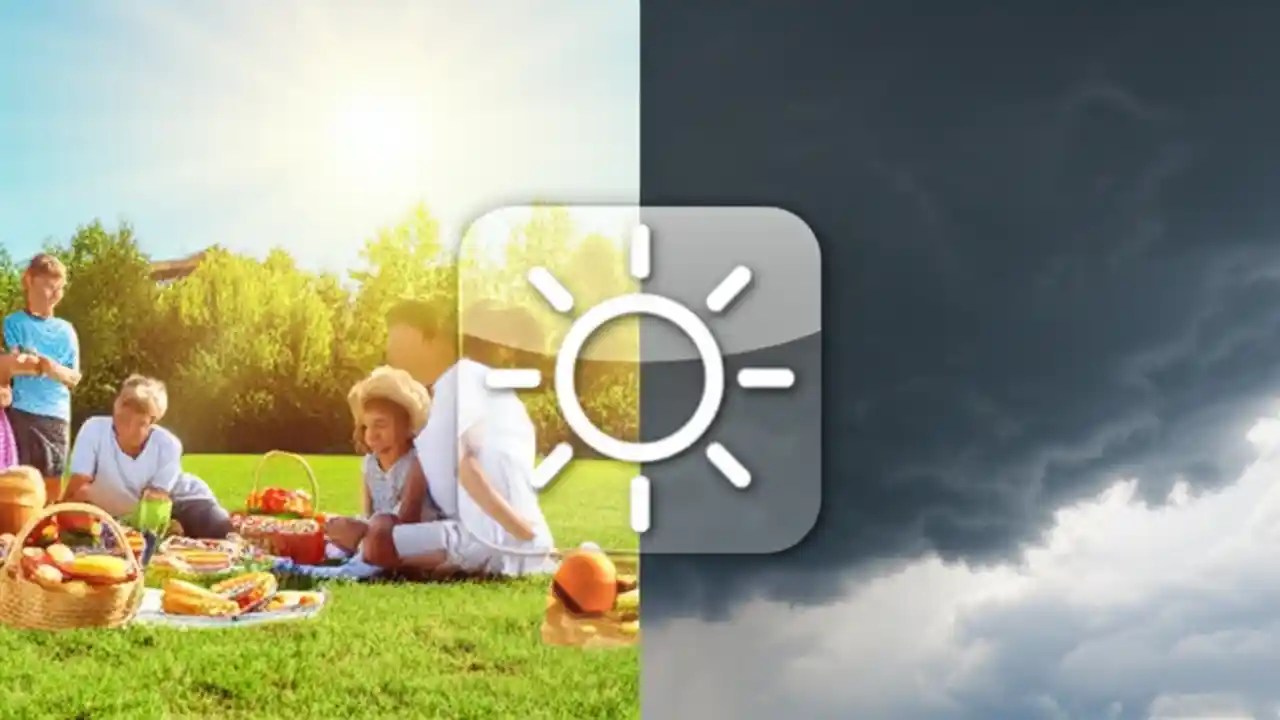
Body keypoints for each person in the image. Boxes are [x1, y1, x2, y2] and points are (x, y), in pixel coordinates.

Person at [361, 298, 555, 577]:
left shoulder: (465, 378)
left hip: (490, 539)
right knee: (376, 535)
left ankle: (505, 556)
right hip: (487, 535)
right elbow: (432, 471)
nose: (390, 351)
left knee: (376, 541)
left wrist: (523, 533)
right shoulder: (448, 390)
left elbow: (465, 466)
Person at [60, 375, 233, 539]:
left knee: (220, 529)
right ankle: (172, 531)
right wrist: (64, 512)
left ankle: (177, 530)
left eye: (139, 420)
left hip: (179, 501)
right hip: (128, 510)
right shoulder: (94, 429)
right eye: (124, 414)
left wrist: (121, 520)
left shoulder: (168, 444)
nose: (128, 425)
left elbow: (155, 503)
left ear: (152, 421)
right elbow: (78, 486)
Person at [324, 366, 438, 554]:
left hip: (411, 536)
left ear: (408, 426)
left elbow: (408, 519)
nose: (372, 434)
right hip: (376, 533)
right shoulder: (370, 464)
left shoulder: (416, 464)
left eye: (381, 425)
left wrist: (361, 531)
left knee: (356, 536)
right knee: (334, 531)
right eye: (366, 426)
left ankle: (364, 549)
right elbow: (368, 512)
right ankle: (359, 548)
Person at [3, 253, 81, 503]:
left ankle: (46, 536)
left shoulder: (67, 331)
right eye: (48, 286)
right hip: (21, 412)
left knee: (51, 485)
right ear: (29, 281)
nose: (53, 294)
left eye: (58, 289)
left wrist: (50, 368)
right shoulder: (13, 323)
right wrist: (28, 364)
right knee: (19, 486)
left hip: (56, 416)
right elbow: (13, 363)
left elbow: (73, 377)